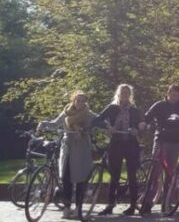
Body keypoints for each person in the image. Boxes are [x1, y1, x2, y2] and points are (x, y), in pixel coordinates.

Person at [38, 90, 101, 220]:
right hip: (67, 148)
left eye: (83, 101)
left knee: (80, 179)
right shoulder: (66, 112)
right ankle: (67, 207)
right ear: (73, 100)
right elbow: (55, 124)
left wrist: (83, 130)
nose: (80, 103)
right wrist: (43, 124)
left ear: (86, 102)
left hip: (82, 148)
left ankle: (78, 208)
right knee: (66, 178)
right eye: (78, 100)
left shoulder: (89, 114)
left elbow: (100, 122)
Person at [143, 84, 179, 215]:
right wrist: (145, 125)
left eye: (177, 95)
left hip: (175, 142)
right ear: (168, 93)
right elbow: (147, 117)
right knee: (155, 172)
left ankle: (166, 202)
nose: (175, 97)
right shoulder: (160, 105)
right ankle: (147, 202)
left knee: (170, 173)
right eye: (173, 94)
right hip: (161, 140)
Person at [96, 84, 146, 216]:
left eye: (127, 93)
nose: (125, 95)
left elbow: (143, 125)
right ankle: (110, 204)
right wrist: (107, 127)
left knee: (132, 175)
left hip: (131, 144)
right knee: (115, 174)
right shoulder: (112, 108)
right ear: (118, 94)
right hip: (116, 143)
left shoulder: (135, 110)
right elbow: (98, 120)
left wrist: (138, 130)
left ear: (130, 95)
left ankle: (133, 205)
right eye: (123, 93)